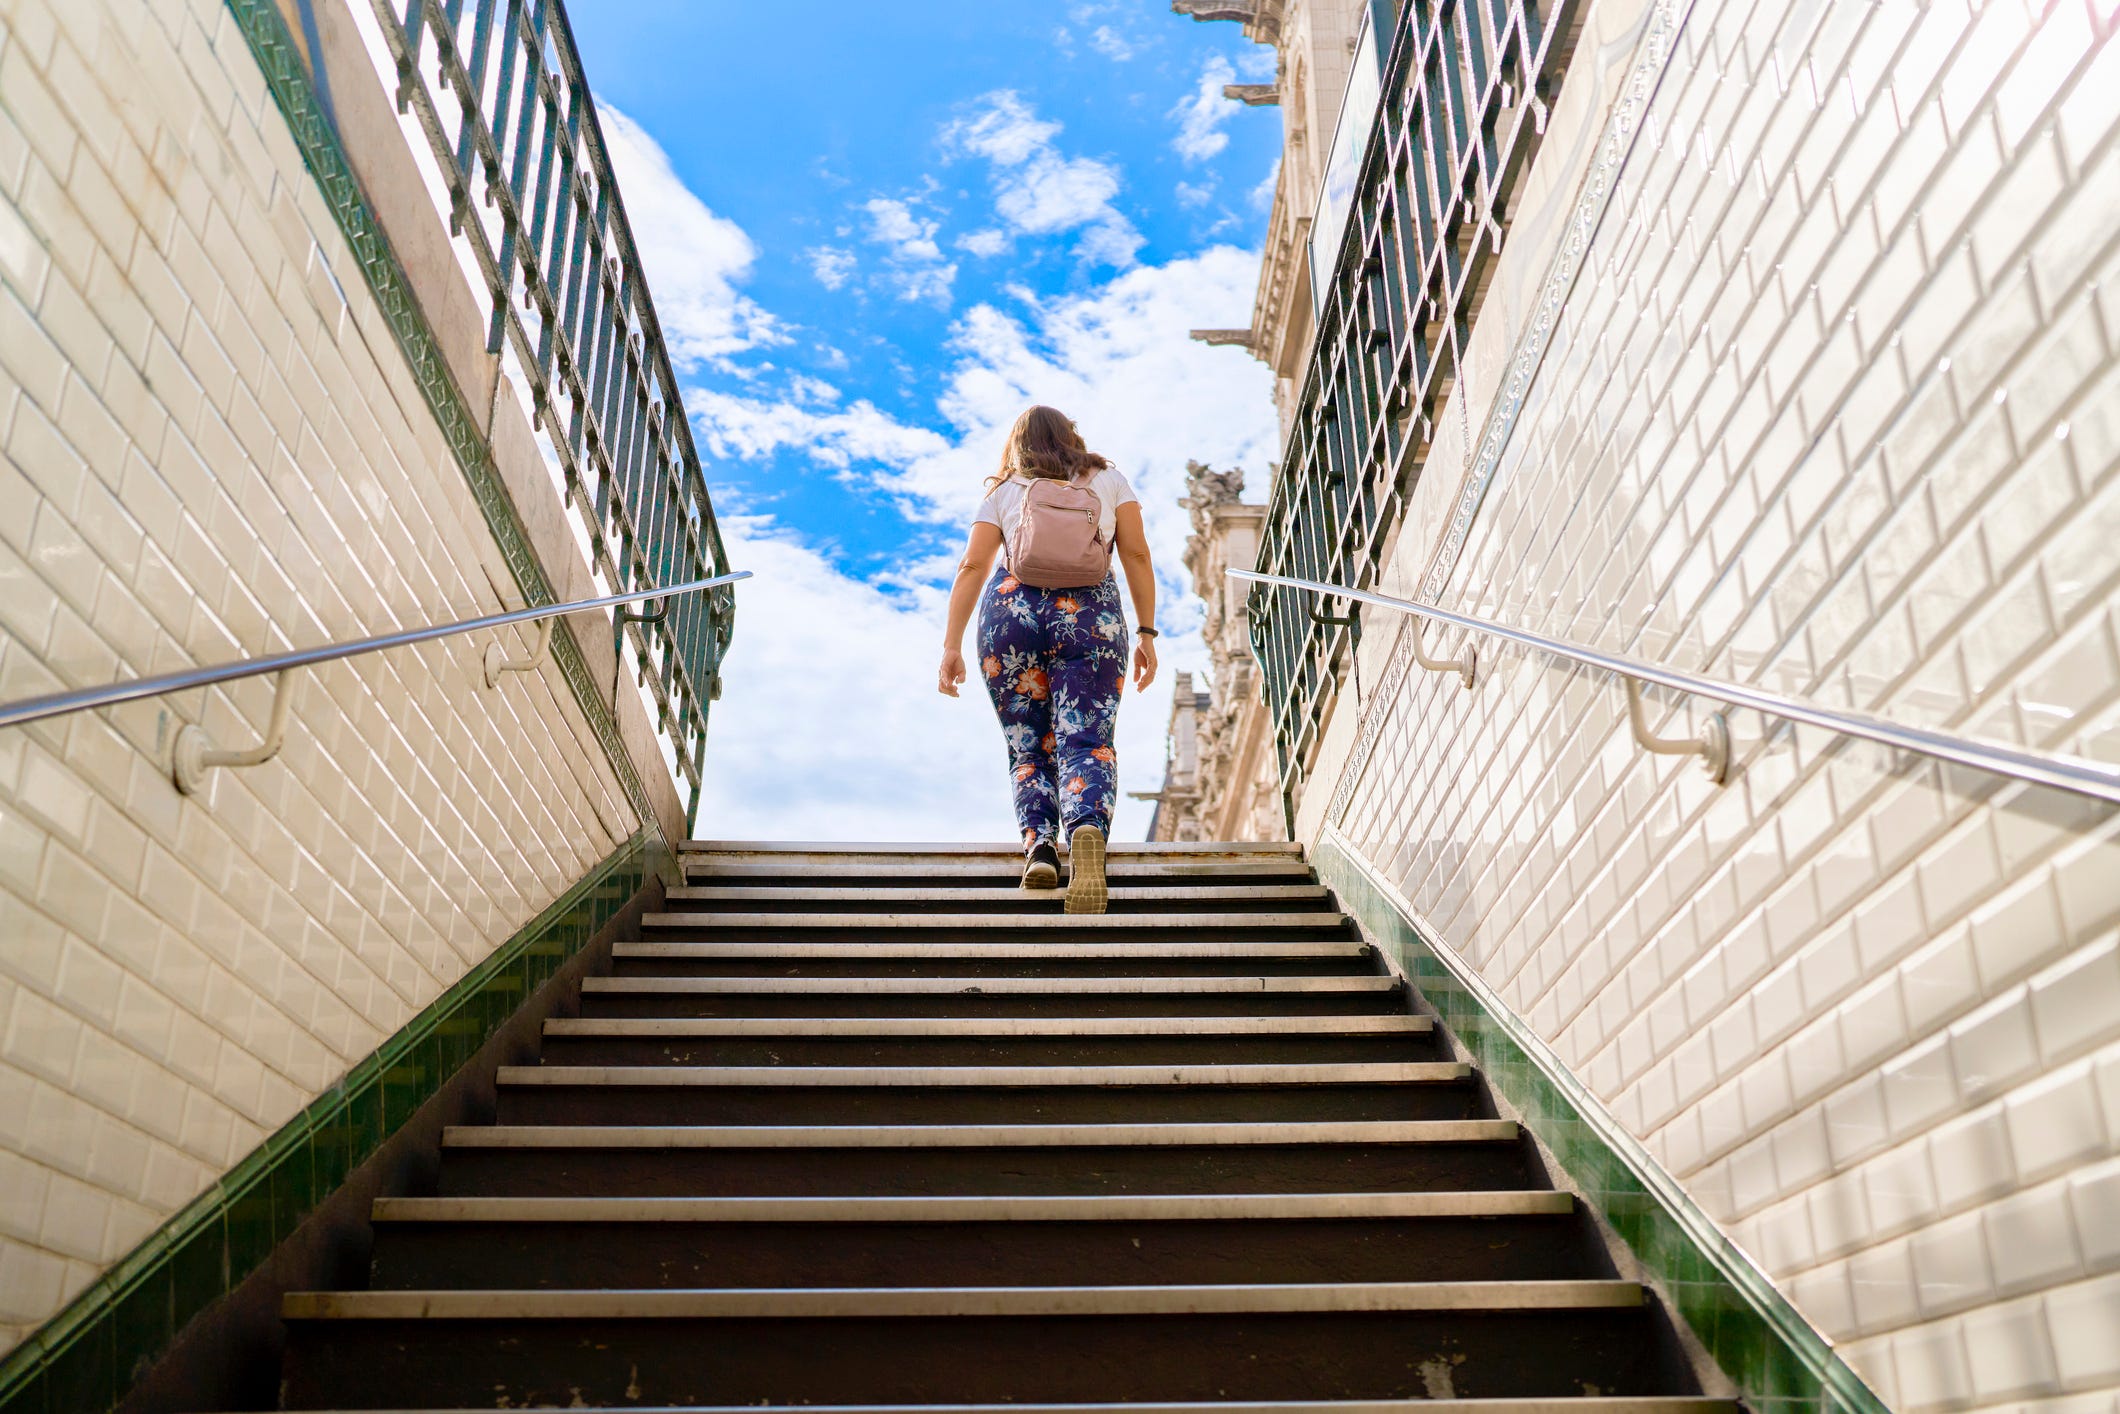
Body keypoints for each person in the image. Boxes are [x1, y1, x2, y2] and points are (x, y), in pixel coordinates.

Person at [937, 406, 1158, 912]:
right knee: (1088, 738)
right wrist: (1146, 632)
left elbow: (973, 564)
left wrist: (951, 644)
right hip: (1090, 614)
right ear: (1071, 437)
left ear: (1017, 443)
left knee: (1028, 747)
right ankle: (1086, 830)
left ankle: (1039, 846)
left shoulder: (1004, 489)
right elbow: (1138, 555)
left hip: (1010, 615)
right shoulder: (1108, 479)